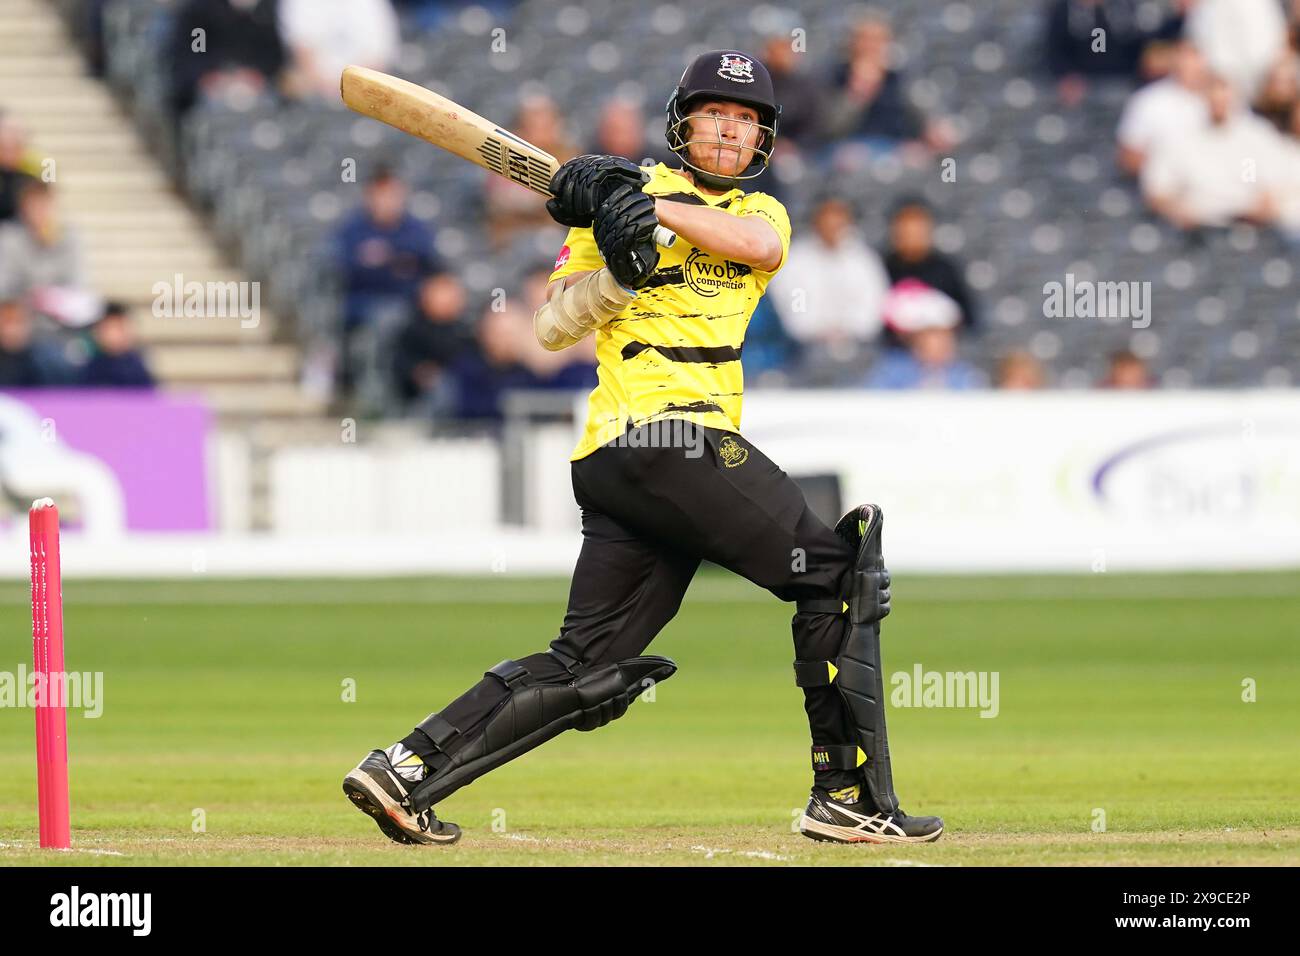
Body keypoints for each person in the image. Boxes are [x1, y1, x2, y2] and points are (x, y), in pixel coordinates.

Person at [342, 49, 943, 848]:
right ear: (683, 123)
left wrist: (646, 211)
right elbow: (552, 327)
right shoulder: (617, 206)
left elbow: (754, 249)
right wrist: (620, 273)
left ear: (761, 137)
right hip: (663, 438)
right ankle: (847, 793)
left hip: (640, 466)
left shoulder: (763, 214)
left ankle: (407, 769)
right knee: (835, 573)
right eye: (714, 115)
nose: (729, 131)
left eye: (746, 120)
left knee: (586, 664)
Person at [767, 196, 889, 385]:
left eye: (839, 218)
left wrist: (847, 330)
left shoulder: (863, 259)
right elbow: (793, 306)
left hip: (858, 344)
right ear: (815, 221)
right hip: (806, 348)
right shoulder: (796, 259)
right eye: (827, 218)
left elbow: (874, 306)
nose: (833, 225)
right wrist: (820, 330)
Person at [79, 302, 155, 388]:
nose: (113, 335)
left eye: (118, 328)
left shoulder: (136, 367)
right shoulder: (92, 367)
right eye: (108, 328)